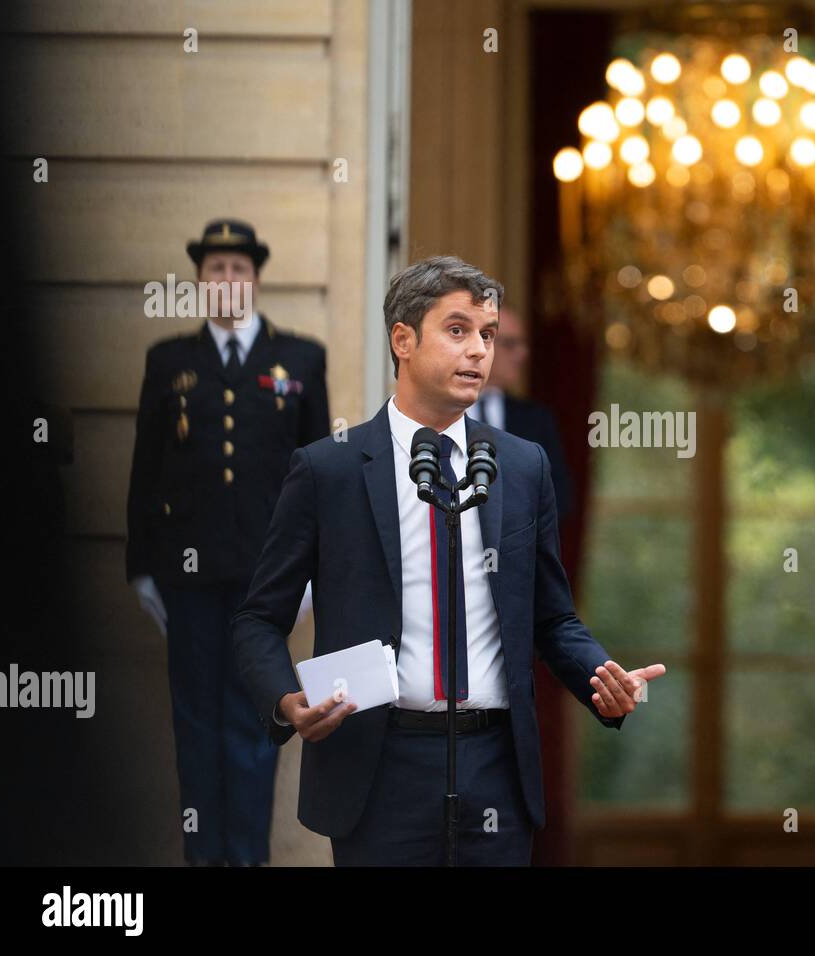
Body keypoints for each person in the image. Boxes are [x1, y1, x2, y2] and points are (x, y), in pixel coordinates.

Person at [232, 255, 665, 866]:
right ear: (402, 340)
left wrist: (601, 677)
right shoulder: (327, 469)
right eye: (458, 330)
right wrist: (286, 701)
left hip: (496, 770)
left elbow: (552, 618)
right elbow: (257, 619)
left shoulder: (521, 465)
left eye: (487, 336)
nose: (478, 352)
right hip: (378, 771)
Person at [126, 218, 331, 865]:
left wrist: (311, 575)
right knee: (195, 725)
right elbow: (145, 468)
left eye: (238, 269)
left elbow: (315, 472)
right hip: (187, 576)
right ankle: (202, 857)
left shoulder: (299, 358)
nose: (227, 280)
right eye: (216, 269)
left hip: (265, 580)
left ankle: (246, 858)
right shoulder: (170, 361)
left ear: (256, 279)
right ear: (199, 282)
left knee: (256, 721)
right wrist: (141, 569)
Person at [466, 307, 574, 527]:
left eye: (523, 344)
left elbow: (560, 497)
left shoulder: (536, 419)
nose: (522, 354)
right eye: (510, 343)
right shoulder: (441, 412)